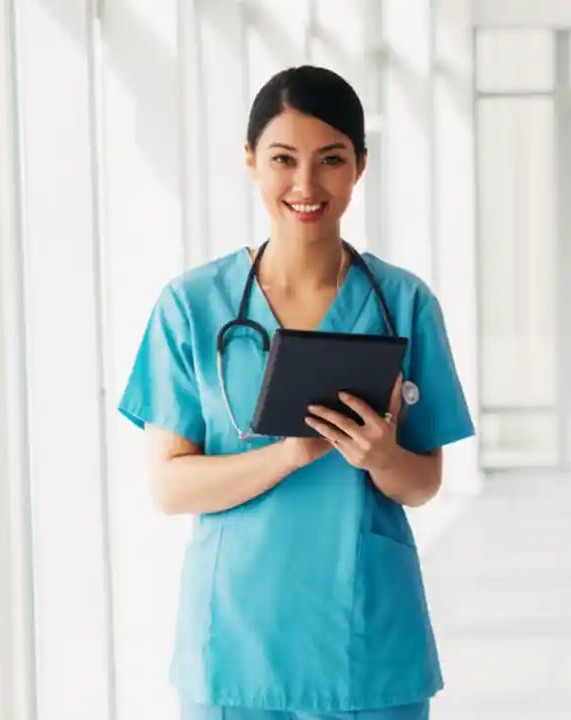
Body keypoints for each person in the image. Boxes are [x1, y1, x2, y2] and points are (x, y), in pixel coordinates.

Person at [117, 65, 474, 720]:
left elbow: (423, 483)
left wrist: (380, 456)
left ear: (360, 166)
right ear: (250, 160)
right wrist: (288, 454)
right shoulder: (193, 305)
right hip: (235, 646)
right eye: (283, 159)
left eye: (331, 160)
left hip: (364, 639)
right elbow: (169, 487)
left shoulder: (402, 302)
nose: (306, 185)